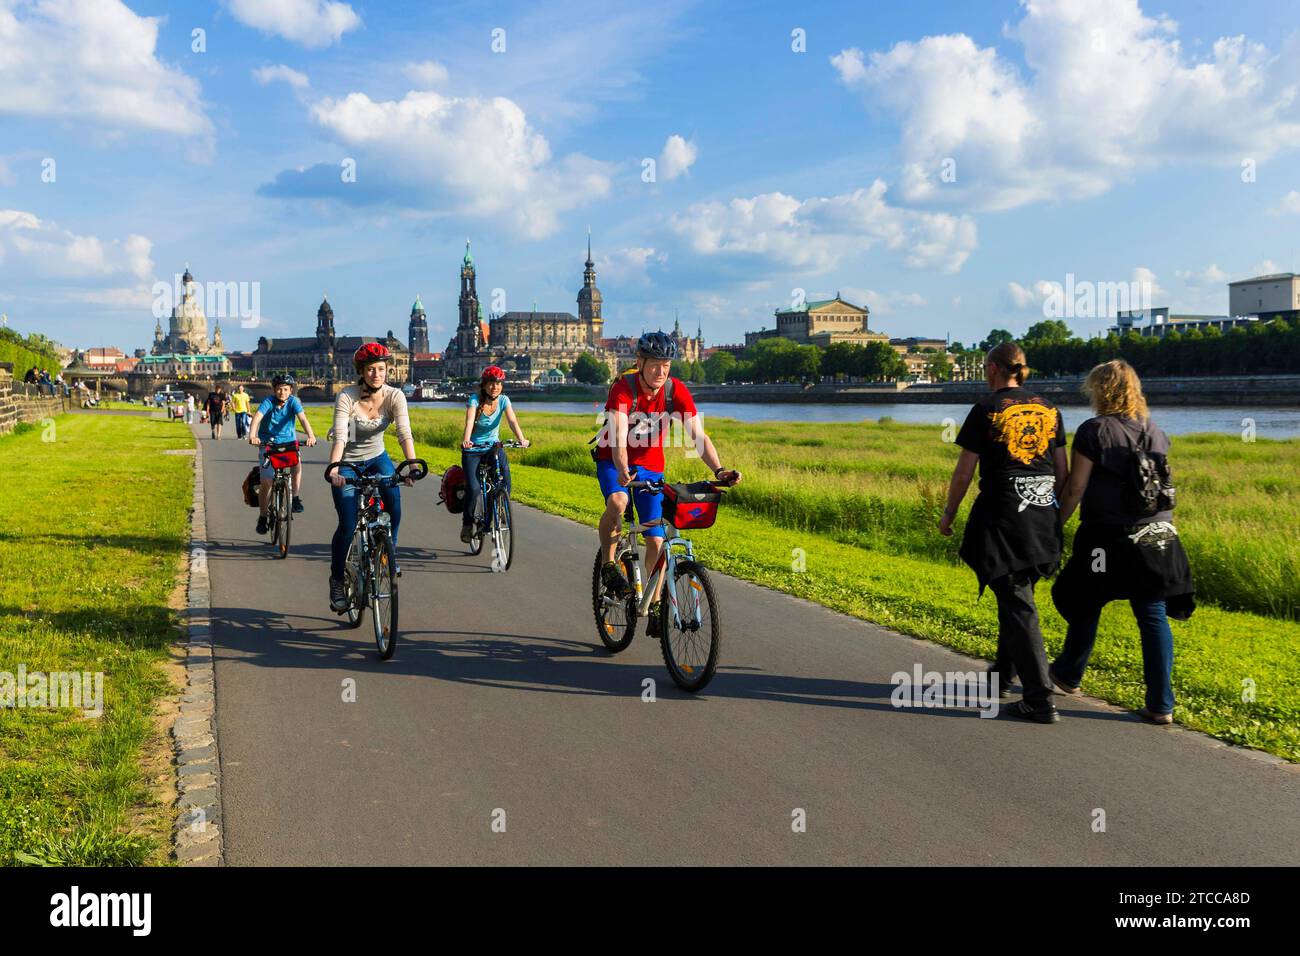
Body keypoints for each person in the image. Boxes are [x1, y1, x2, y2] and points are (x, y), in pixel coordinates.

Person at [1050, 360, 1194, 725]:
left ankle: (1068, 673)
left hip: (1106, 537)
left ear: (1102, 390)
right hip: (1157, 536)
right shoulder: (1155, 430)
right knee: (1151, 613)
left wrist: (1056, 524)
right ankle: (1161, 703)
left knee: (1084, 598)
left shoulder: (1093, 430)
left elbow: (1077, 487)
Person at [939, 341, 1068, 723]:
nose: (983, 371)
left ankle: (1040, 698)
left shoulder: (986, 409)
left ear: (994, 368)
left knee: (1016, 599)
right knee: (1016, 592)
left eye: (983, 366)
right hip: (1041, 513)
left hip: (1003, 514)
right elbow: (1061, 470)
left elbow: (965, 472)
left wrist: (949, 513)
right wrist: (1052, 512)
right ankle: (1002, 676)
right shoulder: (1049, 409)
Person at [593, 331, 741, 637]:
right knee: (618, 503)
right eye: (655, 365)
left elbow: (698, 437)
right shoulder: (623, 389)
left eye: (666, 364)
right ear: (640, 363)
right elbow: (618, 436)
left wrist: (720, 470)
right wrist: (622, 469)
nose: (661, 371)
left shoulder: (675, 391)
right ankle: (609, 565)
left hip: (650, 468)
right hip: (612, 461)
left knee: (657, 541)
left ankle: (655, 604)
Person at [326, 343, 418, 612]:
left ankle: (389, 553)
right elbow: (342, 436)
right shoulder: (347, 397)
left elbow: (404, 433)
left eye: (381, 369)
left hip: (378, 458)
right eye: (371, 370)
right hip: (348, 462)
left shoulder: (394, 396)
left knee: (394, 504)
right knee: (348, 522)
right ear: (361, 372)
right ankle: (337, 580)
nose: (377, 374)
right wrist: (334, 468)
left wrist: (411, 465)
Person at [459, 366, 529, 542]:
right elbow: (469, 420)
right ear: (484, 385)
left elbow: (512, 420)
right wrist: (467, 440)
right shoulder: (475, 400)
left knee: (504, 480)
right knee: (474, 488)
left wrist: (522, 439)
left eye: (498, 383)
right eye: (491, 383)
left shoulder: (504, 400)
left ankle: (501, 509)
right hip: (473, 449)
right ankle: (467, 524)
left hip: (493, 447)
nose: (495, 387)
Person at [247, 374, 318, 534]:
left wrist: (311, 436)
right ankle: (263, 516)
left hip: (288, 442)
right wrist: (253, 435)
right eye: (279, 389)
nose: (282, 392)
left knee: (297, 465)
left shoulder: (294, 401)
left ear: (291, 390)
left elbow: (303, 419)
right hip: (268, 443)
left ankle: (296, 497)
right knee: (267, 481)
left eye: (286, 389)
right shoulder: (268, 402)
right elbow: (257, 418)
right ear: (274, 390)